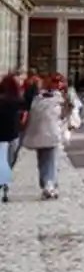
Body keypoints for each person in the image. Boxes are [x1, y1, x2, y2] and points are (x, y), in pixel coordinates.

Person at [23, 73, 74, 200]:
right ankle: (49, 185)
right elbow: (65, 115)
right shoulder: (59, 99)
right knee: (51, 160)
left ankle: (45, 183)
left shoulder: (38, 98)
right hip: (52, 134)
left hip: (38, 135)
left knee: (42, 160)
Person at [0, 74, 23, 203]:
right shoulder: (17, 100)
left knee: (2, 161)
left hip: (0, 135)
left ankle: (3, 183)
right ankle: (5, 186)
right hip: (13, 135)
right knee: (9, 161)